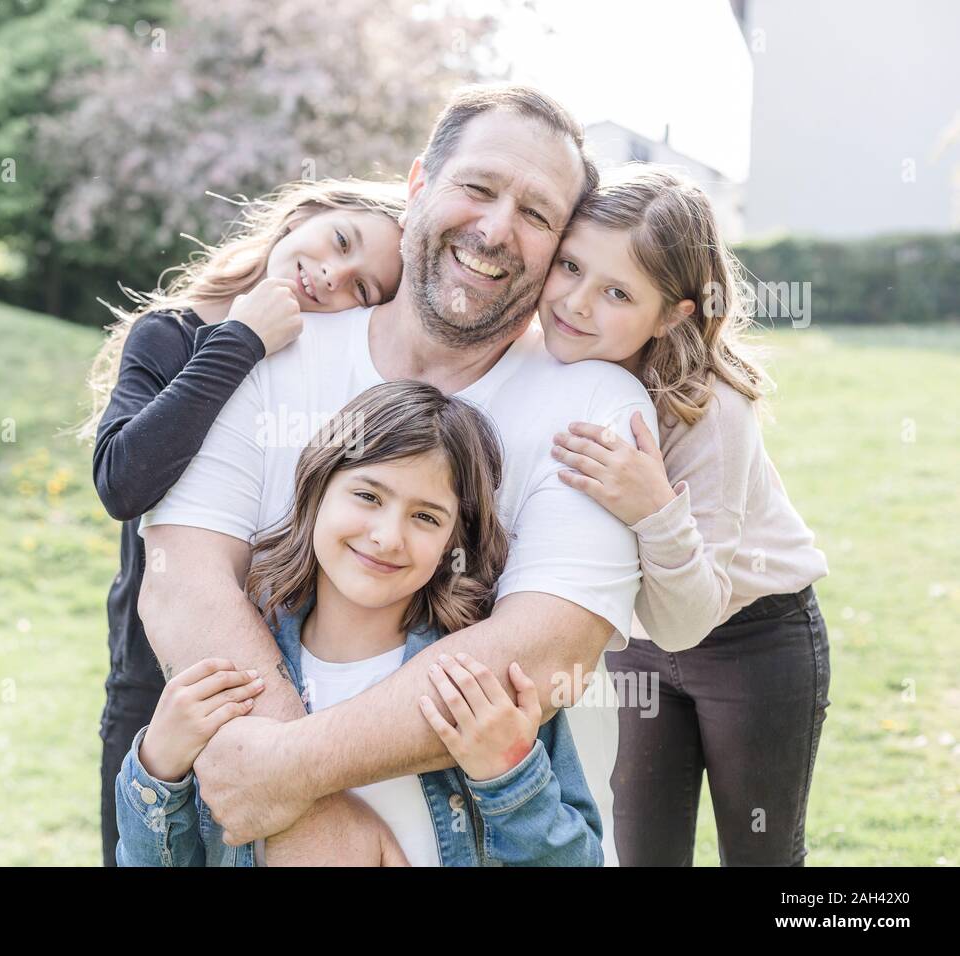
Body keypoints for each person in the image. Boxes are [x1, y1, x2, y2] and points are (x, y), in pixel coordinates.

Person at [135, 83, 656, 866]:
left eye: (537, 214)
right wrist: (313, 820)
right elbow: (183, 577)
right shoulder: (275, 352)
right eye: (477, 188)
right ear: (417, 187)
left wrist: (290, 773)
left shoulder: (594, 406)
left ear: (558, 249)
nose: (495, 228)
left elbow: (539, 655)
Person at [115, 382, 603, 866]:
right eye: (369, 496)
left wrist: (509, 778)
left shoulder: (480, 691)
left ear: (457, 539)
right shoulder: (236, 675)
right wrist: (158, 768)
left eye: (426, 518)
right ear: (318, 488)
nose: (388, 537)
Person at [79, 179, 406, 866]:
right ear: (303, 216)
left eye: (364, 288)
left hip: (284, 687)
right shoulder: (172, 333)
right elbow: (122, 479)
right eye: (340, 241)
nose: (333, 275)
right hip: (154, 678)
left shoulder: (332, 377)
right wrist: (242, 339)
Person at [540, 165, 831, 865]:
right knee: (641, 848)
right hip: (638, 645)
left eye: (616, 292)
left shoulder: (711, 411)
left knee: (758, 852)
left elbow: (690, 615)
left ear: (675, 312)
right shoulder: (552, 367)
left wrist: (652, 507)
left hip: (753, 641)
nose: (576, 303)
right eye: (570, 267)